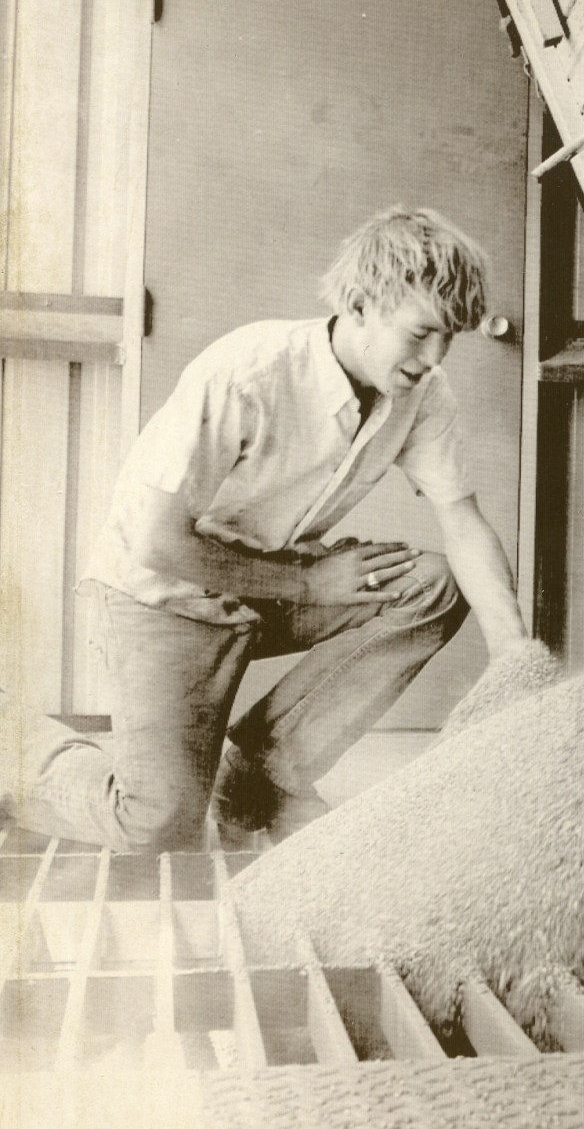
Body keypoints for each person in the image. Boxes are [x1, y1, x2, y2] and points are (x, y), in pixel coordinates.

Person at [0, 206, 527, 852]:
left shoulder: (423, 393)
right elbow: (157, 541)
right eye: (421, 333)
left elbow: (462, 522)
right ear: (362, 304)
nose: (436, 356)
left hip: (267, 583)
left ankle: (258, 772)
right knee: (155, 823)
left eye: (450, 337)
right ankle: (11, 745)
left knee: (431, 584)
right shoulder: (248, 373)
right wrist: (308, 582)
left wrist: (515, 656)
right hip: (160, 597)